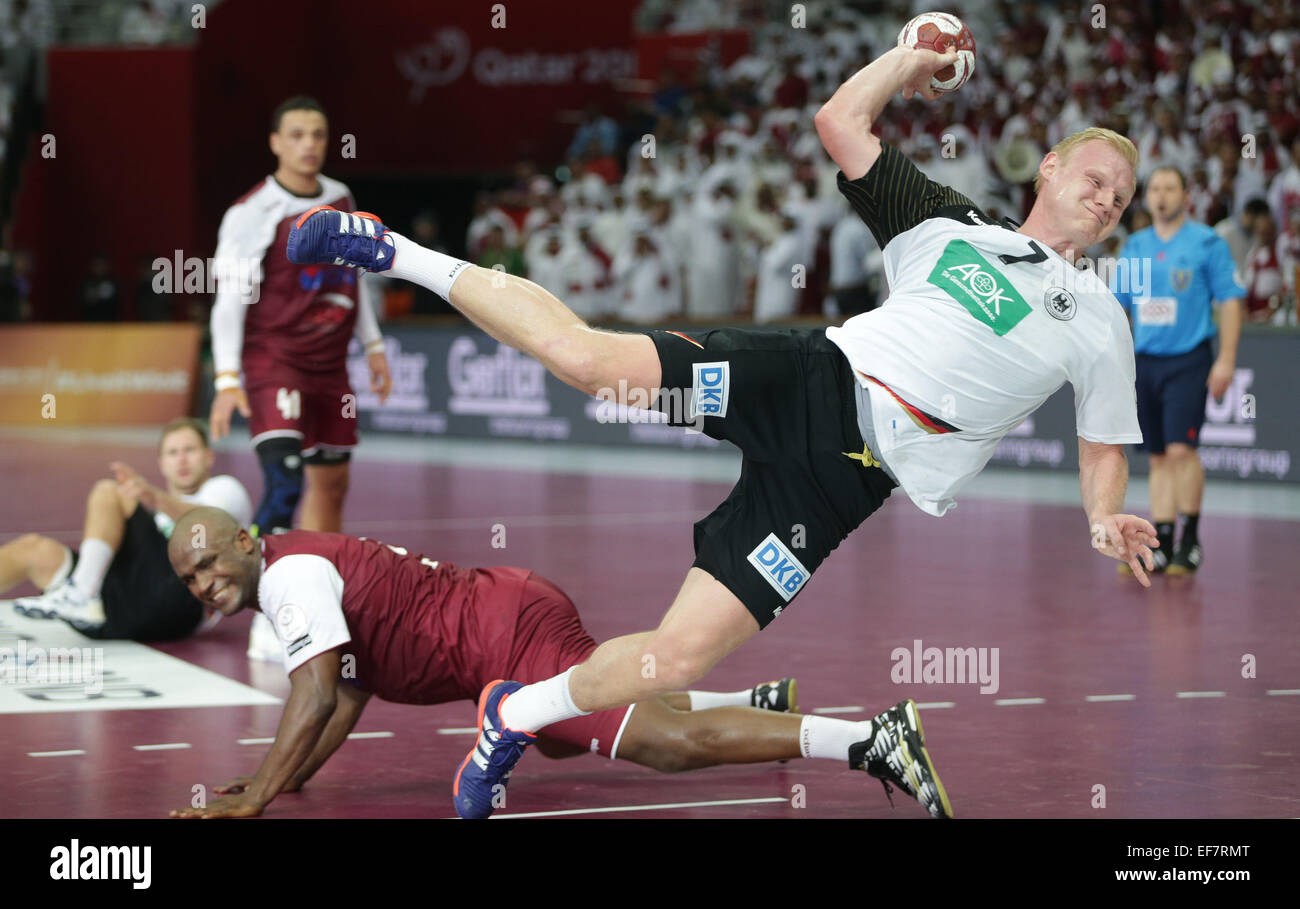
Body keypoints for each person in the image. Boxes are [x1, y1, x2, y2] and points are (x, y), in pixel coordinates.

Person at [284, 44, 1159, 819]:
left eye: (1119, 195)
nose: (1105, 197)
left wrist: (1100, 516)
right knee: (590, 364)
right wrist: (908, 58)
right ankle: (392, 249)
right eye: (1093, 176)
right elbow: (839, 120)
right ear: (1047, 167)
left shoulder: (1098, 320)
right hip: (808, 380)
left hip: (845, 481)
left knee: (675, 659)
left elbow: (1101, 447)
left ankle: (514, 714)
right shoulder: (944, 222)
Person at [165, 507, 948, 819]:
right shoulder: (289, 567)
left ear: (243, 538)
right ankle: (754, 700)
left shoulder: (286, 578)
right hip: (507, 611)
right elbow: (344, 690)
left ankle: (870, 739)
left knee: (660, 747)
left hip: (509, 638)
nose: (205, 585)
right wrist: (289, 778)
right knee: (584, 732)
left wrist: (256, 798)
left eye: (207, 563)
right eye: (190, 581)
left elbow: (310, 695)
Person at [208, 95, 392, 544]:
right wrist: (226, 378)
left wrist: (373, 345)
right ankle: (262, 595)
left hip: (330, 365)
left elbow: (355, 276)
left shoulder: (340, 198)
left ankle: (318, 578)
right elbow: (229, 299)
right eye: (296, 135)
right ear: (275, 143)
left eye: (317, 135)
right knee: (286, 480)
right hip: (275, 360)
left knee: (331, 486)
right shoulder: (250, 213)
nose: (308, 144)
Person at [3, 418, 252, 640]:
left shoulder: (225, 489)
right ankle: (84, 597)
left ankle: (80, 593)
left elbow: (210, 524)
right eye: (173, 453)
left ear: (209, 456)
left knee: (109, 491)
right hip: (119, 611)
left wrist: (155, 498)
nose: (182, 459)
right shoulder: (157, 517)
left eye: (190, 450)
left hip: (181, 601)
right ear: (162, 464)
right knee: (34, 550)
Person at [1113, 166, 1245, 575]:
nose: (1162, 196)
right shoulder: (1135, 245)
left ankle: (1190, 541)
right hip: (1146, 361)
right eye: (1155, 189)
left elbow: (1231, 301)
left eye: (1170, 188)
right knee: (1155, 458)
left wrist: (1225, 359)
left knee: (1180, 451)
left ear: (1186, 195)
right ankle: (1163, 542)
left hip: (1189, 359)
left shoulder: (1207, 243)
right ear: (1146, 196)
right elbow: (1117, 309)